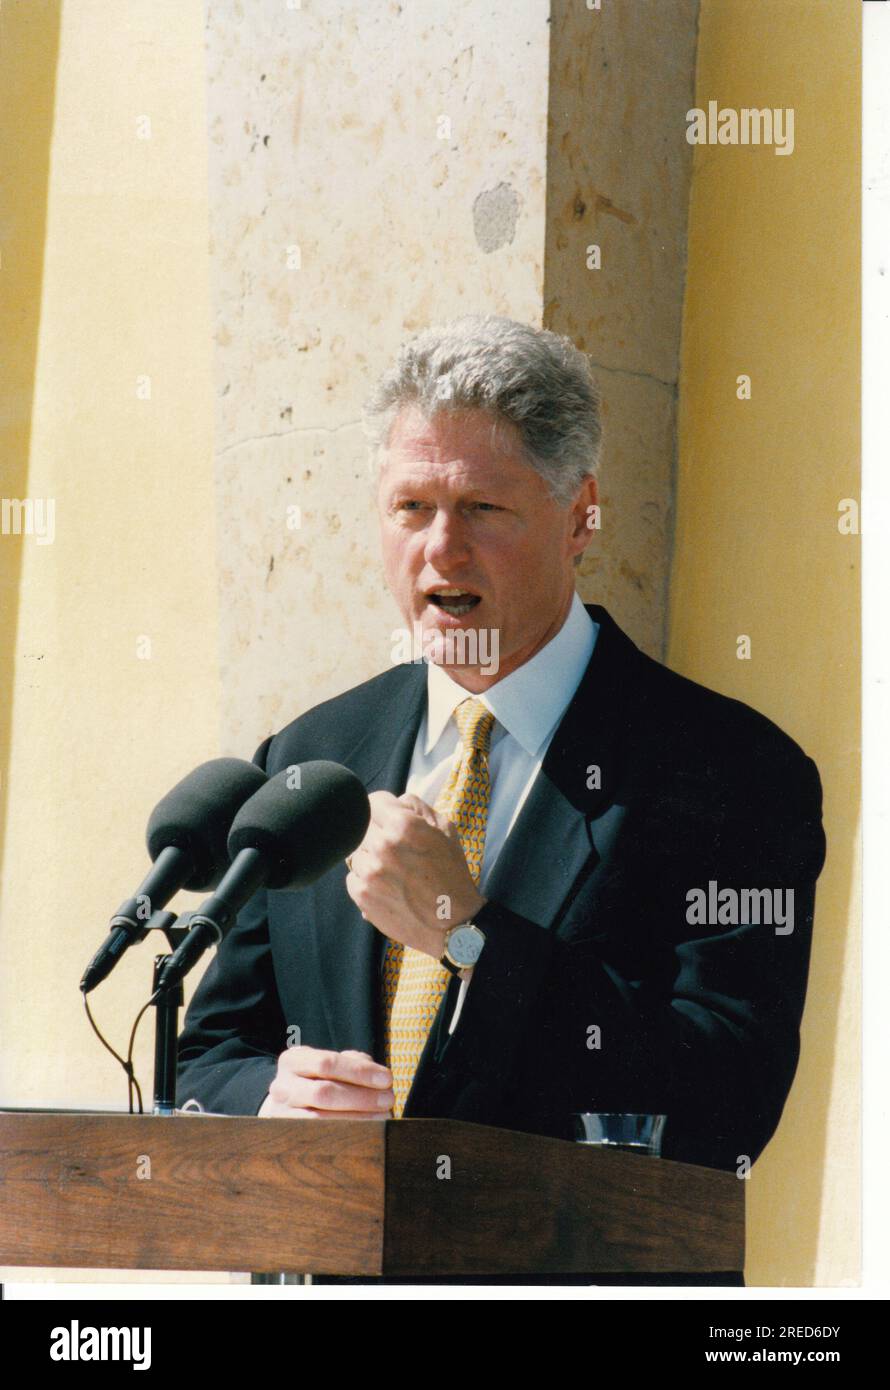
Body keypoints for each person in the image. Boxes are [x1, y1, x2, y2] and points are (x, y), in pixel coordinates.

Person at [175, 315, 825, 1285]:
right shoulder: (312, 759)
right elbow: (207, 1055)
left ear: (578, 519)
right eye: (409, 508)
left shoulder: (725, 770)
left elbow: (721, 1107)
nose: (441, 550)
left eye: (481, 508)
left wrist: (470, 934)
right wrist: (268, 1097)